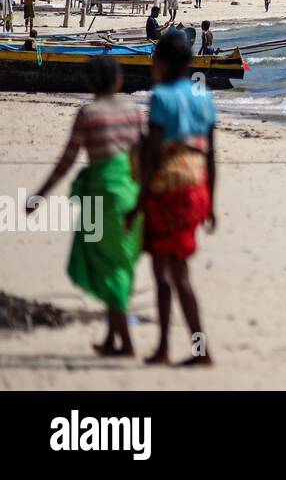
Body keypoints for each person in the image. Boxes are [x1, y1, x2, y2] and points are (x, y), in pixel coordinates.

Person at [28, 56, 144, 356]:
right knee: (119, 263)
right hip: (131, 195)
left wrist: (39, 195)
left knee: (102, 262)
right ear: (118, 80)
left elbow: (66, 162)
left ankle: (127, 344)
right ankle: (110, 337)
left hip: (101, 197)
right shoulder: (134, 111)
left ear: (90, 83)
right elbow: (141, 160)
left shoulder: (88, 114)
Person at [126, 30, 217, 366]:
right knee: (168, 269)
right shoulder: (203, 97)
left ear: (163, 63)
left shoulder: (161, 98)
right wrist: (212, 204)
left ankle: (199, 348)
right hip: (197, 189)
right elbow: (211, 156)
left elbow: (151, 155)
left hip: (168, 189)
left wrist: (138, 202)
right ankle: (164, 345)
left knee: (172, 273)